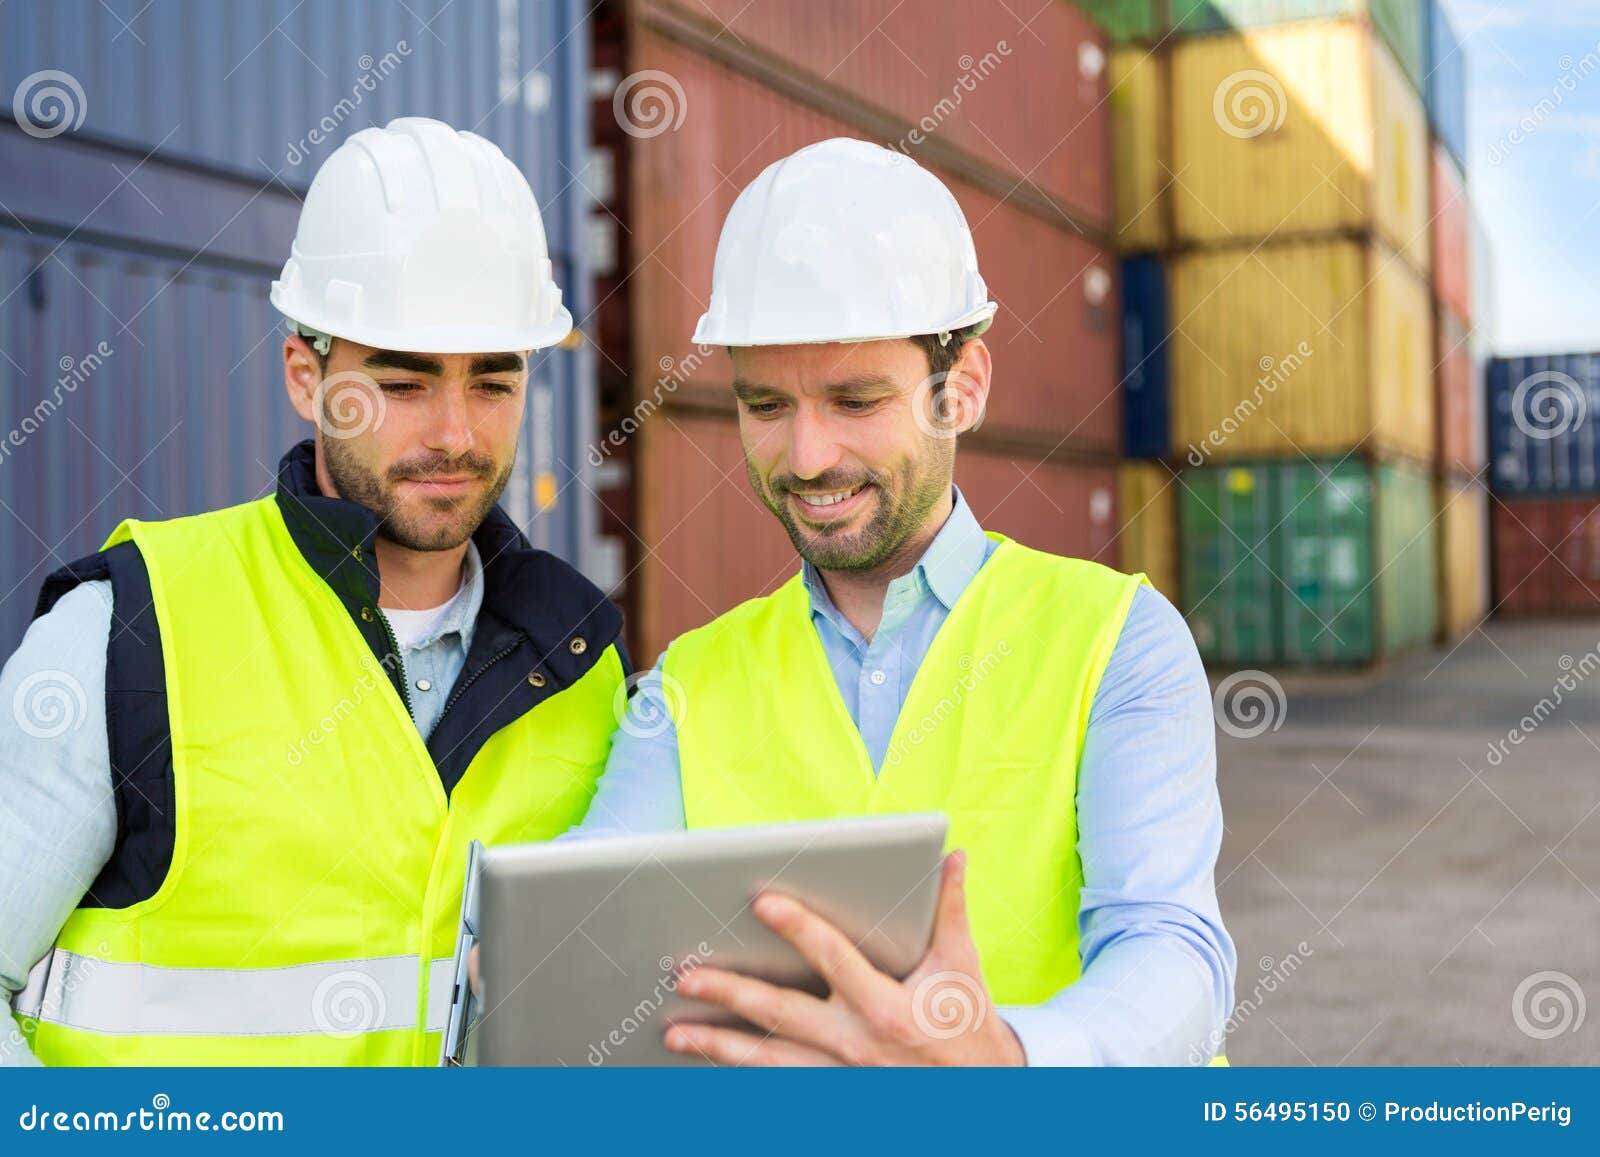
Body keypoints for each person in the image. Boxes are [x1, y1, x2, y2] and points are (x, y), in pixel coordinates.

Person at [573, 138, 1236, 1066]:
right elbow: (581, 933)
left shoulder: (1114, 641)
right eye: (765, 406)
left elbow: (1174, 950)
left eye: (854, 400)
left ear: (960, 387)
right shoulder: (688, 685)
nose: (805, 458)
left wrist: (1007, 1058)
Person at [0, 117, 627, 1066]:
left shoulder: (584, 669)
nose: (457, 433)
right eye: (405, 384)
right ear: (308, 376)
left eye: (492, 385)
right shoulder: (126, 633)